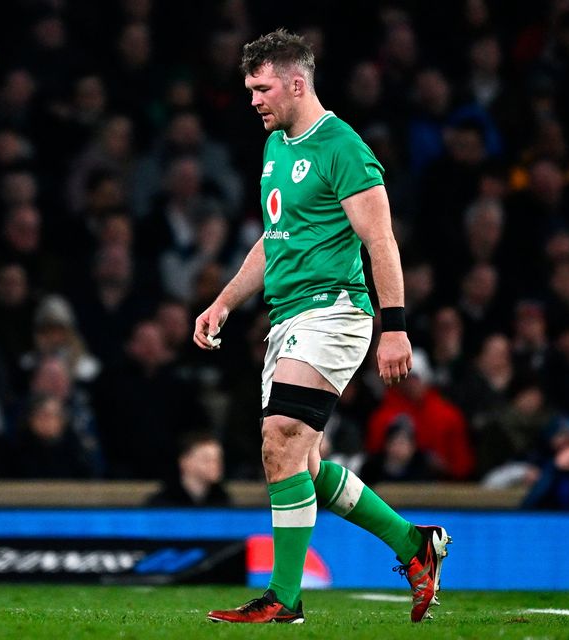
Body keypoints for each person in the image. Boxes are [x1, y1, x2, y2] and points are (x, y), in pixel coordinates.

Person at [194, 30, 450, 625]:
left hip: (334, 310)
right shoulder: (277, 147)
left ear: (296, 82)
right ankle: (415, 545)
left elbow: (380, 241)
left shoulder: (344, 148)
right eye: (250, 89)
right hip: (288, 317)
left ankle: (284, 598)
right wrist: (225, 301)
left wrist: (396, 328)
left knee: (280, 435)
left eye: (262, 88)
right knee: (302, 465)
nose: (254, 100)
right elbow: (275, 237)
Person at [146, 431, 232, 507]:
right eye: (206, 459)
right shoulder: (161, 505)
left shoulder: (224, 502)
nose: (215, 465)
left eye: (218, 459)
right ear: (185, 462)